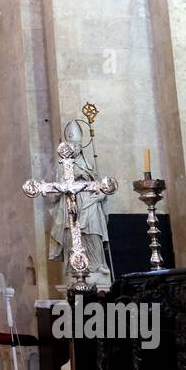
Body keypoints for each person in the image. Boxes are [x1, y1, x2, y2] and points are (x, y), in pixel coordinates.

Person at [49, 120, 112, 290]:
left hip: (90, 204)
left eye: (77, 144)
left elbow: (100, 185)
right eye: (71, 144)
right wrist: (70, 178)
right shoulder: (63, 166)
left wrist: (101, 195)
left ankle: (98, 266)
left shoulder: (89, 164)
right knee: (74, 237)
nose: (75, 148)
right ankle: (77, 270)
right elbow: (55, 190)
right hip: (72, 205)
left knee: (93, 234)